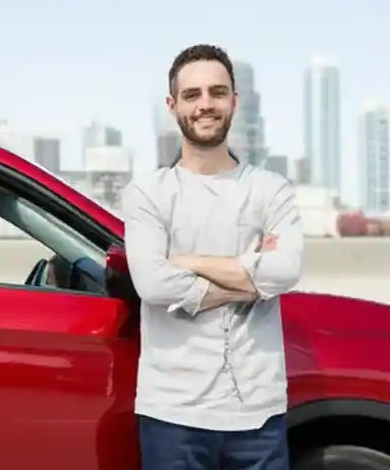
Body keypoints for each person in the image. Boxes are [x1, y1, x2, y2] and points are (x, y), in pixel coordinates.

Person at [121, 44, 304, 470]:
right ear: (173, 106)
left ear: (234, 102)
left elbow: (285, 270)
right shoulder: (149, 193)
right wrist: (252, 278)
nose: (206, 104)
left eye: (218, 92)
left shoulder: (270, 190)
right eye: (193, 94)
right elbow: (152, 284)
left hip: (259, 414)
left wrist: (185, 260)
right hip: (172, 415)